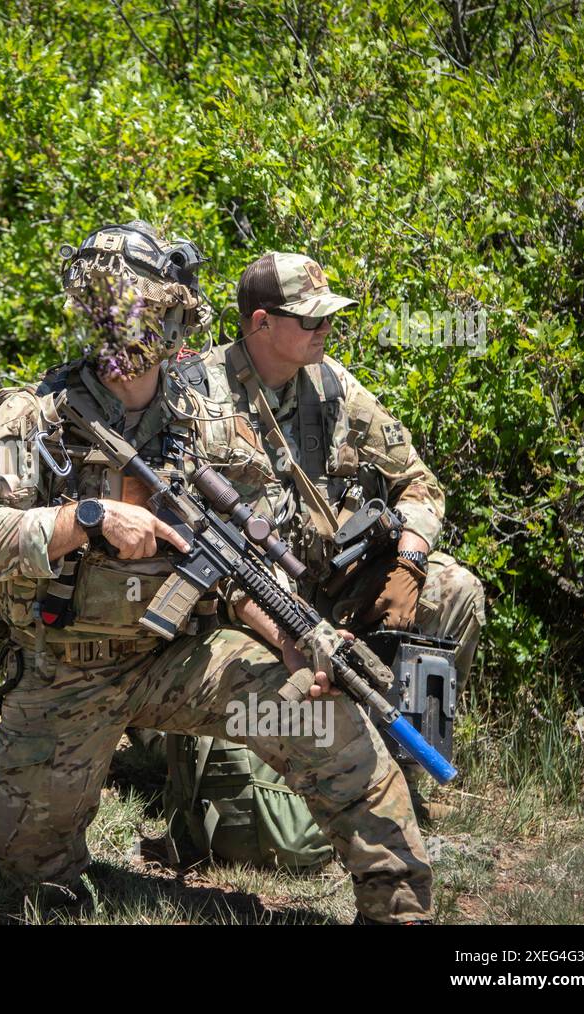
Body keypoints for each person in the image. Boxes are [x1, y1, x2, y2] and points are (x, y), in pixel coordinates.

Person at [0, 222, 434, 923]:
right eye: (121, 314)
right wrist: (90, 518)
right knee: (27, 876)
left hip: (180, 655)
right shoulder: (29, 419)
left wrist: (288, 633)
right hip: (69, 669)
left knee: (321, 714)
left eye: (155, 313)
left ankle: (398, 907)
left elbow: (232, 560)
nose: (137, 331)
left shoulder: (205, 418)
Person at [190, 251, 485, 817]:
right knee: (269, 814)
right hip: (243, 603)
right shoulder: (198, 395)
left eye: (330, 317)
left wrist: (410, 562)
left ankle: (403, 771)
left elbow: (418, 481)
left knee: (455, 589)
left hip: (329, 578)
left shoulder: (334, 386)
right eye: (311, 319)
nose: (326, 328)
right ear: (261, 323)